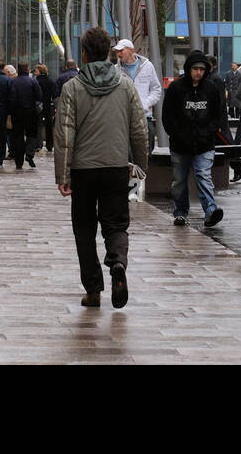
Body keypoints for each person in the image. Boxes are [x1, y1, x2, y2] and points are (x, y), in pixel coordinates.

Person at [55, 26, 148, 309]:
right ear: (109, 53)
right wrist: (140, 167)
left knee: (84, 229)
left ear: (84, 54)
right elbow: (140, 131)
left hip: (83, 171)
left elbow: (65, 135)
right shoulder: (125, 86)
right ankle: (118, 262)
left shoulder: (72, 88)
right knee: (116, 223)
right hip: (116, 167)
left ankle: (93, 290)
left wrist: (63, 174)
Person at [162, 50, 225, 227]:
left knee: (204, 175)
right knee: (179, 180)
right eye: (195, 68)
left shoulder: (211, 89)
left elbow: (217, 114)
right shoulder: (176, 88)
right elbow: (168, 115)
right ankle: (180, 212)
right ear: (189, 68)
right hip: (180, 144)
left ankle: (211, 210)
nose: (198, 72)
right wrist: (177, 134)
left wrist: (208, 134)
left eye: (202, 69)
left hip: (204, 144)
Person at [114, 38, 163, 150]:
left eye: (122, 51)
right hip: (123, 120)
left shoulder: (147, 66)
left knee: (146, 153)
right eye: (117, 51)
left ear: (131, 51)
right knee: (126, 156)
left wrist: (145, 103)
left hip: (145, 117)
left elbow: (156, 89)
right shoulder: (115, 70)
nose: (119, 54)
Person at [207, 55, 241, 183]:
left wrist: (217, 120)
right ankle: (238, 169)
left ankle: (239, 169)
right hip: (215, 119)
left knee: (227, 143)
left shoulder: (215, 78)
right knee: (224, 144)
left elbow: (220, 100)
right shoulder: (211, 77)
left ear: (211, 64)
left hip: (218, 120)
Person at [9, 61, 42, 169]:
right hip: (31, 113)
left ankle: (19, 161)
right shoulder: (33, 81)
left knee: (18, 136)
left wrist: (10, 110)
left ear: (18, 70)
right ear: (27, 69)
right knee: (32, 134)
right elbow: (39, 97)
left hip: (17, 113)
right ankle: (29, 153)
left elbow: (11, 98)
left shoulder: (13, 82)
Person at [36, 64, 57, 153]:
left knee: (38, 125)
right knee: (49, 126)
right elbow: (54, 95)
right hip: (48, 106)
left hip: (38, 106)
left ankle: (38, 144)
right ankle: (49, 145)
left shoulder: (36, 81)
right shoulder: (51, 81)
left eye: (36, 71)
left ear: (40, 71)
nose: (35, 72)